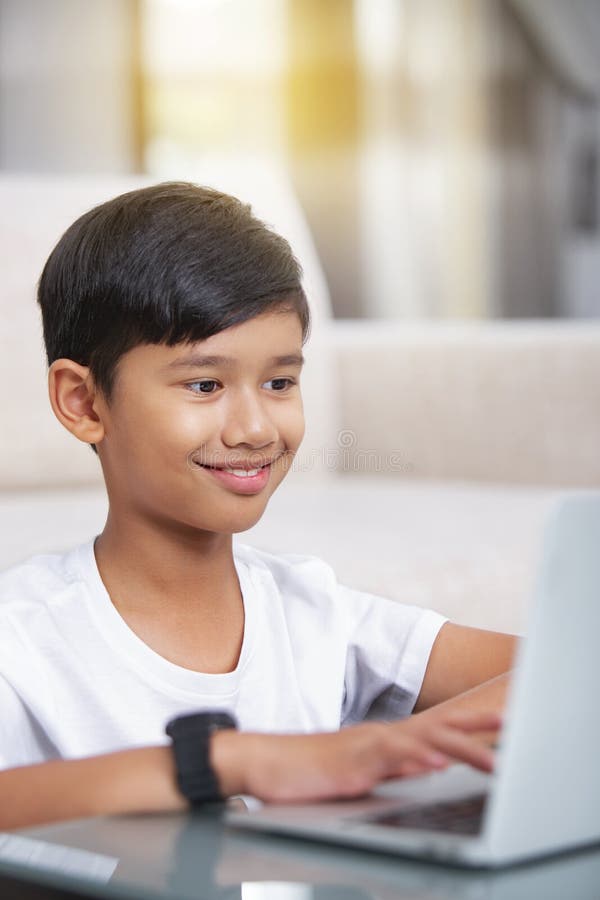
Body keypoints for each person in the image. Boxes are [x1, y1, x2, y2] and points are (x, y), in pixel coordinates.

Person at [0, 183, 516, 832]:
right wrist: (229, 763)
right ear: (83, 402)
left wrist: (387, 754)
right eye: (205, 384)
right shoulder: (21, 641)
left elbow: (564, 671)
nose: (253, 428)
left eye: (279, 382)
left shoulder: (313, 613)